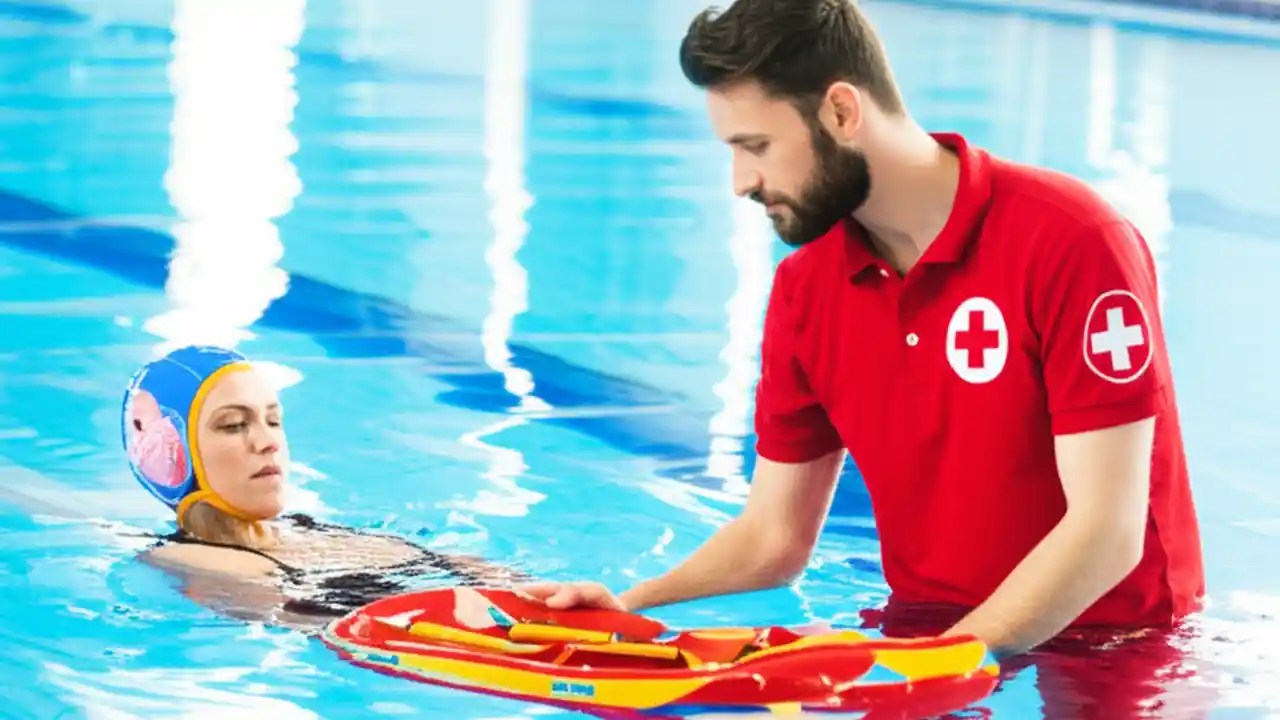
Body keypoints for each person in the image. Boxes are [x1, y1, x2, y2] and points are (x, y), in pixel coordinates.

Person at [521, 0, 1205, 659]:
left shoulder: (1070, 240)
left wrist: (947, 659)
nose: (740, 181)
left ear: (842, 111)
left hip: (1113, 649)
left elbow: (1107, 532)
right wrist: (635, 606)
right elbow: (773, 536)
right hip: (926, 637)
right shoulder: (806, 287)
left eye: (755, 145)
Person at [125, 344, 524, 632]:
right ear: (175, 453)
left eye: (274, 421)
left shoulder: (305, 529)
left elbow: (471, 572)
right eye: (233, 425)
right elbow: (340, 627)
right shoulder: (189, 559)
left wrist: (549, 595)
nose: (269, 442)